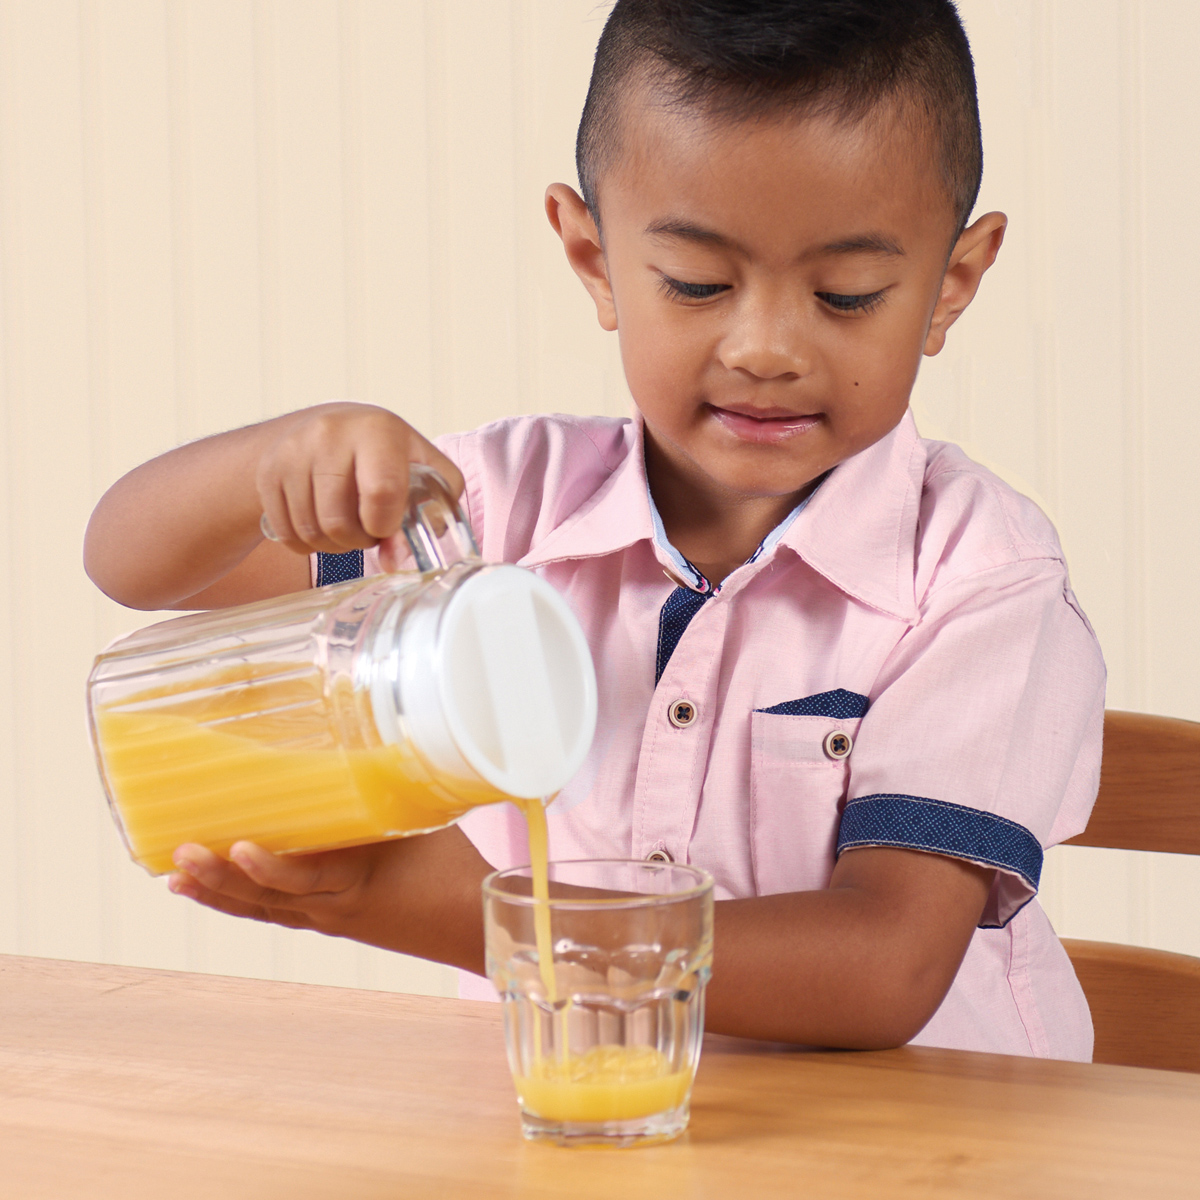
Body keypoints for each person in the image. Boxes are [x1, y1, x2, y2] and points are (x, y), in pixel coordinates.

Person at [83, 0, 1104, 1059]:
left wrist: (469, 914)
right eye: (698, 284)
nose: (765, 347)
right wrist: (272, 460)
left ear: (953, 284)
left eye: (845, 295)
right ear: (593, 257)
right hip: (590, 1126)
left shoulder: (980, 575)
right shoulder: (491, 509)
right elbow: (133, 564)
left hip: (935, 1144)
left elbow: (882, 969)